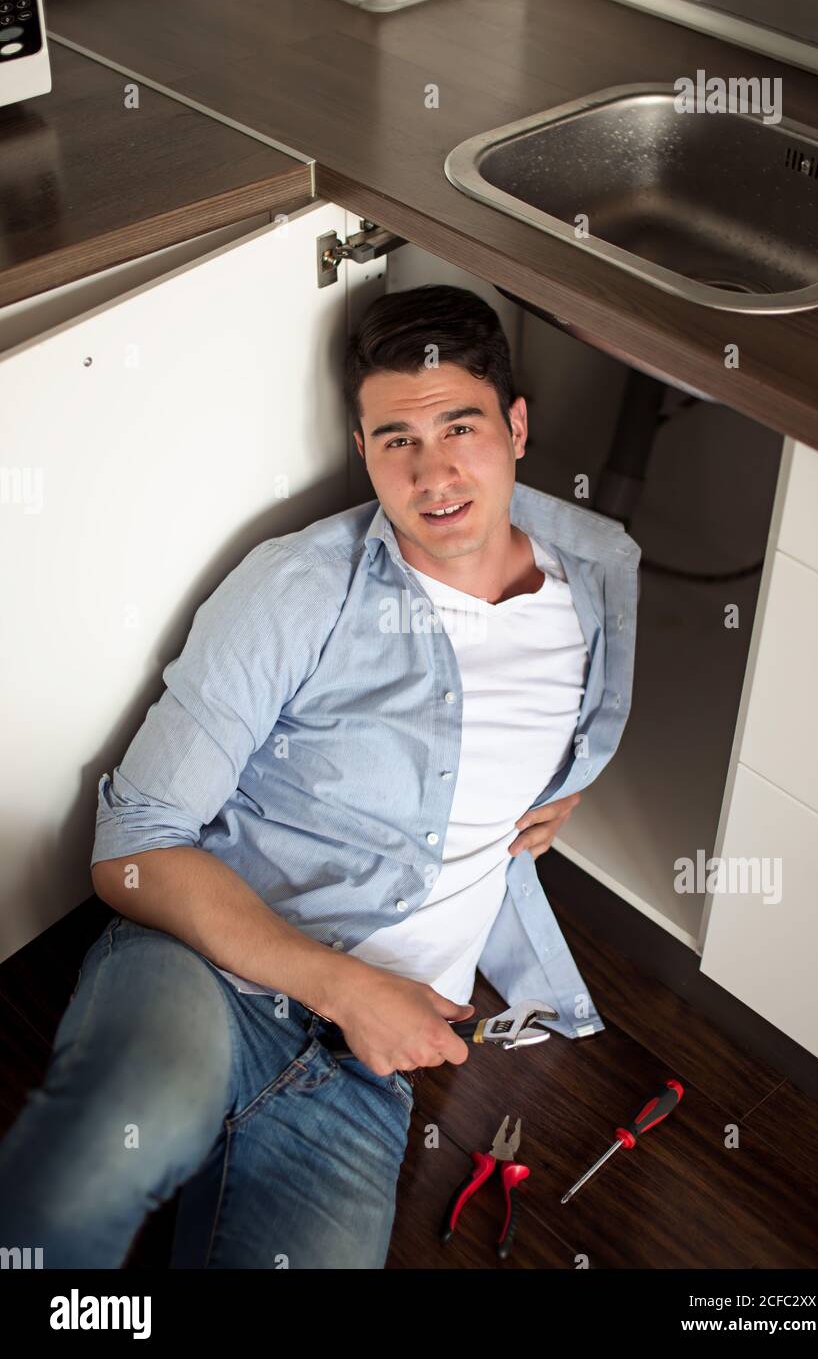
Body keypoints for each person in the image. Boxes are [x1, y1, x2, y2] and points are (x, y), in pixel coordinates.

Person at [0, 284, 639, 1269]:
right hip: (206, 974)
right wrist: (346, 987)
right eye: (396, 440)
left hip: (362, 1074)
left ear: (516, 425)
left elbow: (565, 730)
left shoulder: (595, 579)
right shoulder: (299, 588)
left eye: (458, 426)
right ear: (361, 448)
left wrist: (561, 783)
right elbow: (130, 855)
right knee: (85, 1173)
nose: (431, 474)